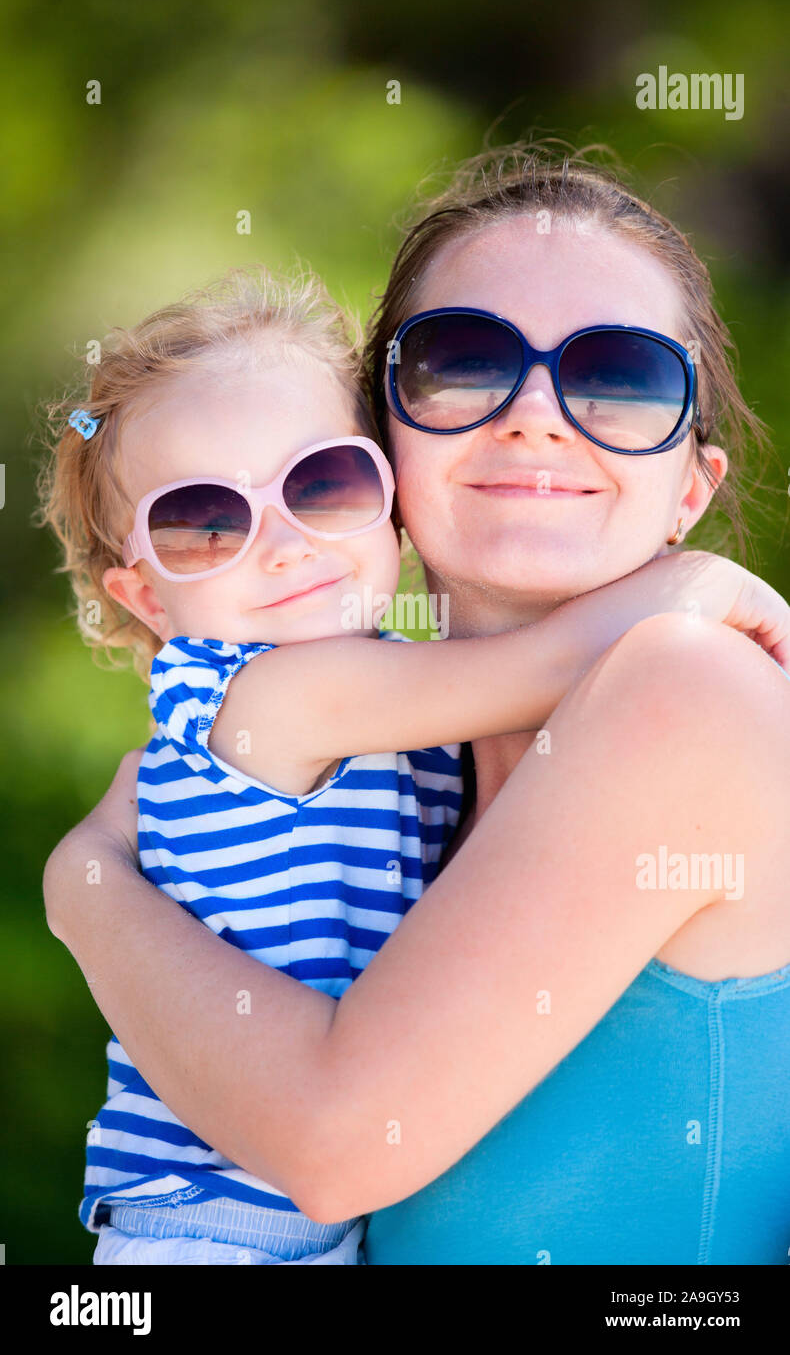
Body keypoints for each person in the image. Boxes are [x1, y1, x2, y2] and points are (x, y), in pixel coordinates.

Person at [41, 142, 790, 1265]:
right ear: (382, 437)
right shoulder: (405, 780)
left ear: (691, 486)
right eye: (463, 361)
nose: (537, 413)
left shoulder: (683, 687)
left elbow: (332, 1146)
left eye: (620, 378)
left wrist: (85, 888)